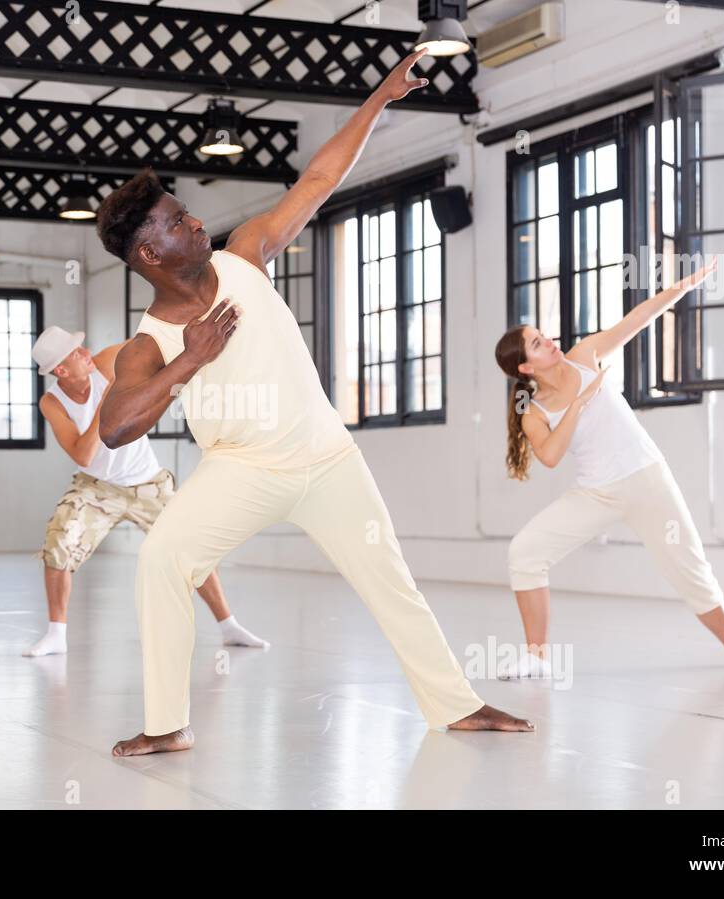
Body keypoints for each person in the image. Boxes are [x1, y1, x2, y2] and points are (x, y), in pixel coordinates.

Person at [95, 49, 533, 757]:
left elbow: (321, 177)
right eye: (178, 221)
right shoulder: (149, 342)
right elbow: (115, 427)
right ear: (150, 254)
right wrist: (191, 357)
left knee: (390, 578)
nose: (196, 222)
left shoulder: (247, 252)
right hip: (244, 469)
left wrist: (381, 98)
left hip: (329, 459)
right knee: (163, 559)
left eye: (187, 212)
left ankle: (456, 704)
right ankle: (167, 721)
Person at [493, 259, 724, 678]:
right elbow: (551, 457)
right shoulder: (533, 412)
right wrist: (579, 403)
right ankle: (536, 657)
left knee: (691, 569)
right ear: (525, 367)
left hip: (647, 478)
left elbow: (637, 319)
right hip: (596, 493)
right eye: (537, 343)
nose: (549, 341)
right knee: (524, 553)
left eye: (543, 335)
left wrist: (683, 286)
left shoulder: (585, 354)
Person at [24, 326, 268, 657]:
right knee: (58, 542)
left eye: (82, 348)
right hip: (96, 488)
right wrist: (109, 400)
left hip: (147, 481)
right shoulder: (52, 402)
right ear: (62, 371)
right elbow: (83, 453)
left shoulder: (108, 361)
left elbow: (153, 340)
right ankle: (56, 635)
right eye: (76, 354)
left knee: (191, 548)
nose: (86, 353)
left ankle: (229, 626)